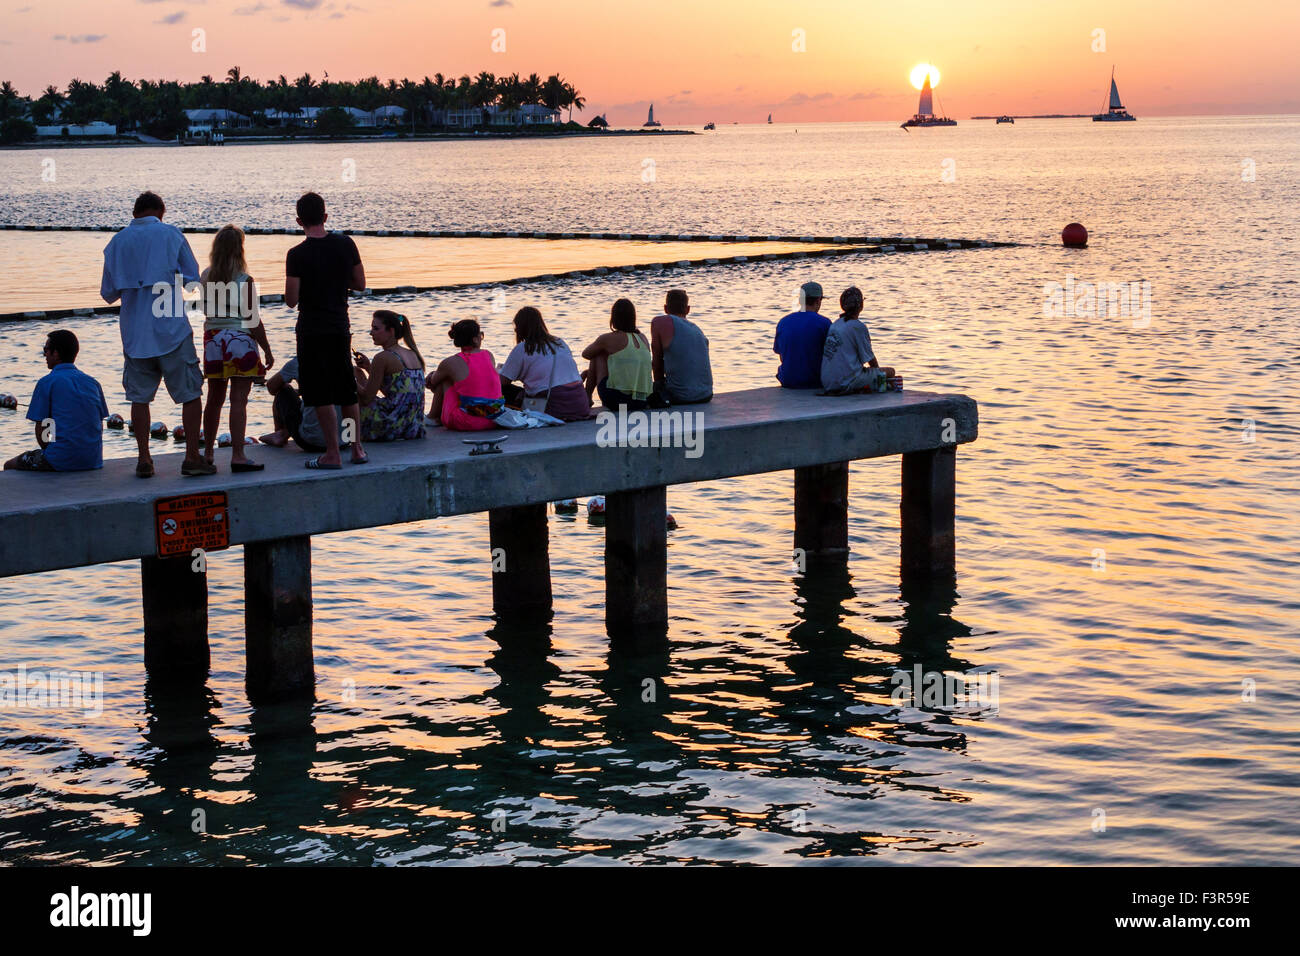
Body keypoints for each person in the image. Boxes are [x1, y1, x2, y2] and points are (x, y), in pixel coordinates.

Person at [100, 190, 213, 478]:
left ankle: (144, 459)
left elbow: (108, 294)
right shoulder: (171, 235)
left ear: (135, 212)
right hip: (171, 330)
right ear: (160, 213)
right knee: (190, 394)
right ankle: (191, 457)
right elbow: (191, 279)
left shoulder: (116, 243)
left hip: (135, 335)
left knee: (140, 399)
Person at [285, 191, 368, 469]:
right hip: (339, 326)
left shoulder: (296, 254)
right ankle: (356, 448)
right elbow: (360, 284)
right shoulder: (346, 244)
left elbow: (291, 299)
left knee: (319, 392)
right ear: (325, 216)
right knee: (347, 391)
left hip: (311, 330)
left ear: (299, 221)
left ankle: (332, 452)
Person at [200, 224, 274, 472]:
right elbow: (253, 320)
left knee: (214, 399)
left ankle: (208, 452)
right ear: (239, 250)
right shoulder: (245, 280)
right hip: (239, 341)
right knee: (238, 400)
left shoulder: (205, 275)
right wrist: (267, 348)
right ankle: (238, 455)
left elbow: (205, 310)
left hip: (212, 340)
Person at [3, 330, 109, 472]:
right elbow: (99, 425)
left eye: (46, 350)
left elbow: (42, 429)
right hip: (93, 460)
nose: (44, 355)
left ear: (56, 353)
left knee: (9, 465)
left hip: (59, 460)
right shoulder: (93, 383)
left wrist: (53, 454)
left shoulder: (46, 382)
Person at [498, 307, 592, 421]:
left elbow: (502, 382)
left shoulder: (523, 348)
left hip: (552, 408)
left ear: (521, 327)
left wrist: (497, 371)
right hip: (579, 405)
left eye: (516, 327)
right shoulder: (559, 342)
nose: (515, 331)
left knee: (503, 390)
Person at [355, 310, 426, 442]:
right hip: (412, 426)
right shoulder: (412, 354)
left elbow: (365, 399)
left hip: (389, 426)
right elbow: (396, 393)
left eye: (375, 328)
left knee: (351, 390)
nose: (371, 333)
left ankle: (342, 434)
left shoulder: (382, 357)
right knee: (357, 372)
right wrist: (368, 368)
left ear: (391, 331)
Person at [425, 319, 503, 431]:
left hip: (468, 422)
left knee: (445, 379)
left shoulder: (450, 362)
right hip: (494, 418)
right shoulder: (489, 355)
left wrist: (433, 375)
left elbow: (432, 382)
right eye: (481, 334)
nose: (482, 337)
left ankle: (432, 417)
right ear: (475, 339)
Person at [258, 356, 347, 453]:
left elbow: (271, 387)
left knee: (284, 390)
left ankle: (280, 435)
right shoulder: (343, 360)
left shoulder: (301, 361)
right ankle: (283, 433)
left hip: (312, 443)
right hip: (346, 441)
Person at [820, 286, 896, 394]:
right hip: (846, 381)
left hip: (827, 382)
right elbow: (870, 359)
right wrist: (878, 374)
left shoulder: (835, 324)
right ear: (861, 306)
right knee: (890, 372)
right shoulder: (858, 327)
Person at [581, 298, 653, 411]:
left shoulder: (607, 339)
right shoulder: (643, 338)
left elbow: (586, 354)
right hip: (642, 400)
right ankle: (587, 396)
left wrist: (588, 373)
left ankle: (587, 397)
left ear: (613, 318)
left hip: (618, 401)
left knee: (597, 354)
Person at [650, 289, 713, 404]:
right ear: (688, 309)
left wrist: (658, 389)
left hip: (680, 396)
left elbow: (656, 361)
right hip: (706, 394)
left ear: (665, 308)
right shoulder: (698, 330)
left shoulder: (659, 322)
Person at [774, 281, 832, 388]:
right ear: (818, 301)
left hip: (787, 380)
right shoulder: (824, 323)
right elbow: (832, 356)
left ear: (800, 300)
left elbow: (781, 356)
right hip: (815, 381)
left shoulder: (783, 322)